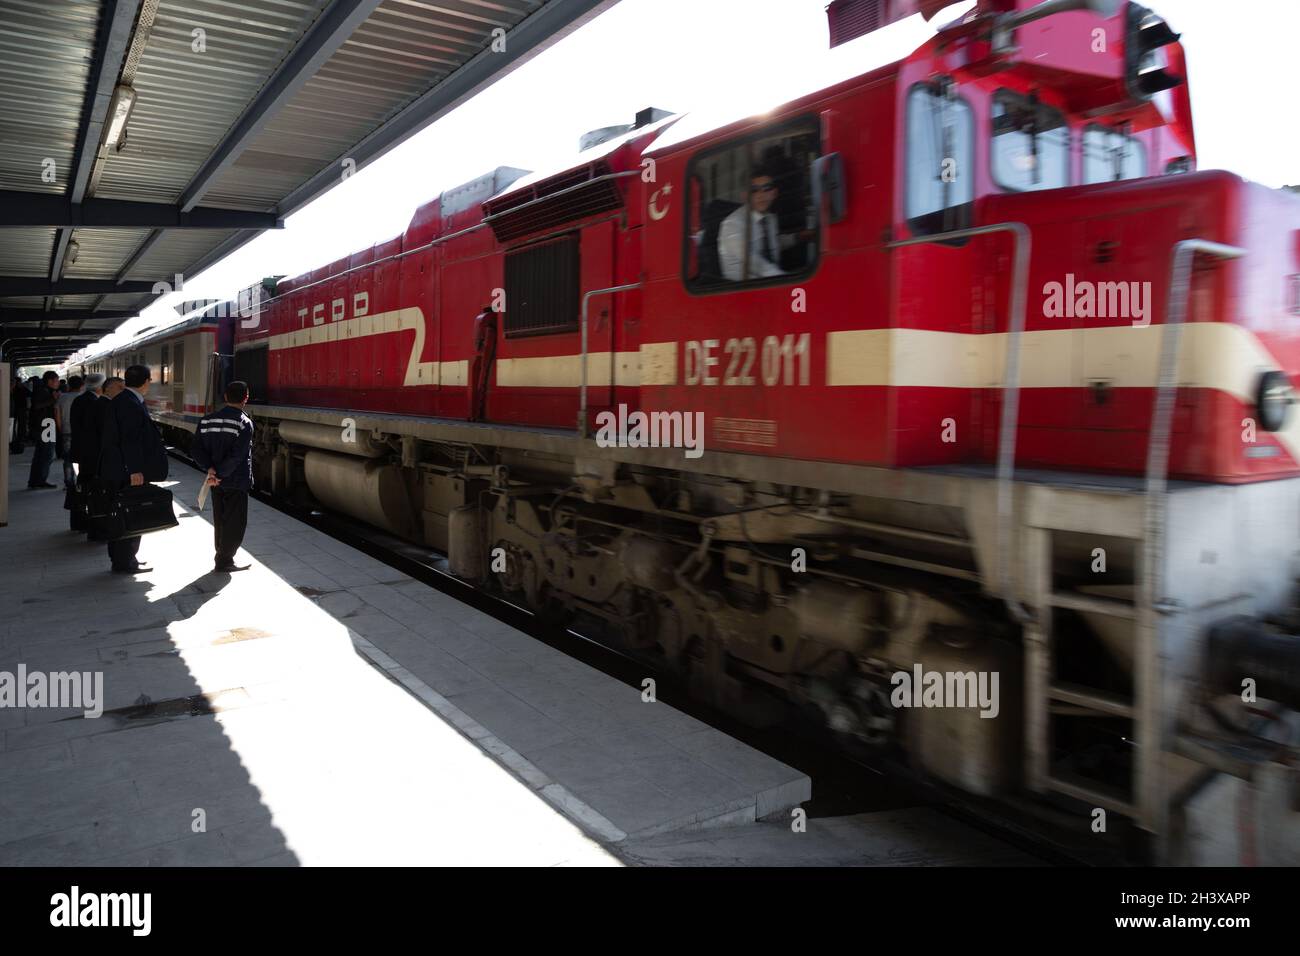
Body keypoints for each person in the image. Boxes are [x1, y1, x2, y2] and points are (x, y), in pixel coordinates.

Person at [98, 366, 168, 574]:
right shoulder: (130, 403)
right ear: (146, 381)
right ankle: (125, 561)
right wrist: (135, 470)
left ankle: (123, 558)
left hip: (118, 467)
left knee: (121, 512)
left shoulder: (122, 400)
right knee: (130, 513)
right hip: (126, 470)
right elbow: (130, 440)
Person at [191, 381, 254, 573]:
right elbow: (237, 456)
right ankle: (225, 560)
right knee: (235, 522)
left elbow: (196, 449)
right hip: (236, 480)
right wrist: (220, 474)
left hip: (215, 481)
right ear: (246, 398)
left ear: (225, 397)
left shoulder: (207, 421)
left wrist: (210, 470)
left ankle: (221, 556)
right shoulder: (244, 423)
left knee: (219, 519)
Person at [717, 168, 811, 282]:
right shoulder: (732, 225)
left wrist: (799, 236)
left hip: (771, 281)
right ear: (745, 195)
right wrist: (788, 281)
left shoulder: (770, 218)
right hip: (746, 288)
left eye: (767, 188)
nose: (761, 195)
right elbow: (757, 264)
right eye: (754, 190)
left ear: (774, 193)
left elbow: (773, 242)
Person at [27, 370, 61, 489]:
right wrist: (53, 399)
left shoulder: (44, 390)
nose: (58, 383)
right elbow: (37, 406)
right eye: (56, 380)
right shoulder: (42, 391)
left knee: (41, 455)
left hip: (45, 426)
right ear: (50, 381)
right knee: (46, 455)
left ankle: (35, 481)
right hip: (45, 427)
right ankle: (40, 481)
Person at [56, 375, 85, 489]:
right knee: (83, 457)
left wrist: (61, 429)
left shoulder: (62, 397)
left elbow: (57, 414)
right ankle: (82, 481)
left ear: (69, 385)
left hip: (66, 430)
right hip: (81, 432)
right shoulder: (84, 397)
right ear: (82, 385)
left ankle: (69, 483)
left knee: (68, 458)